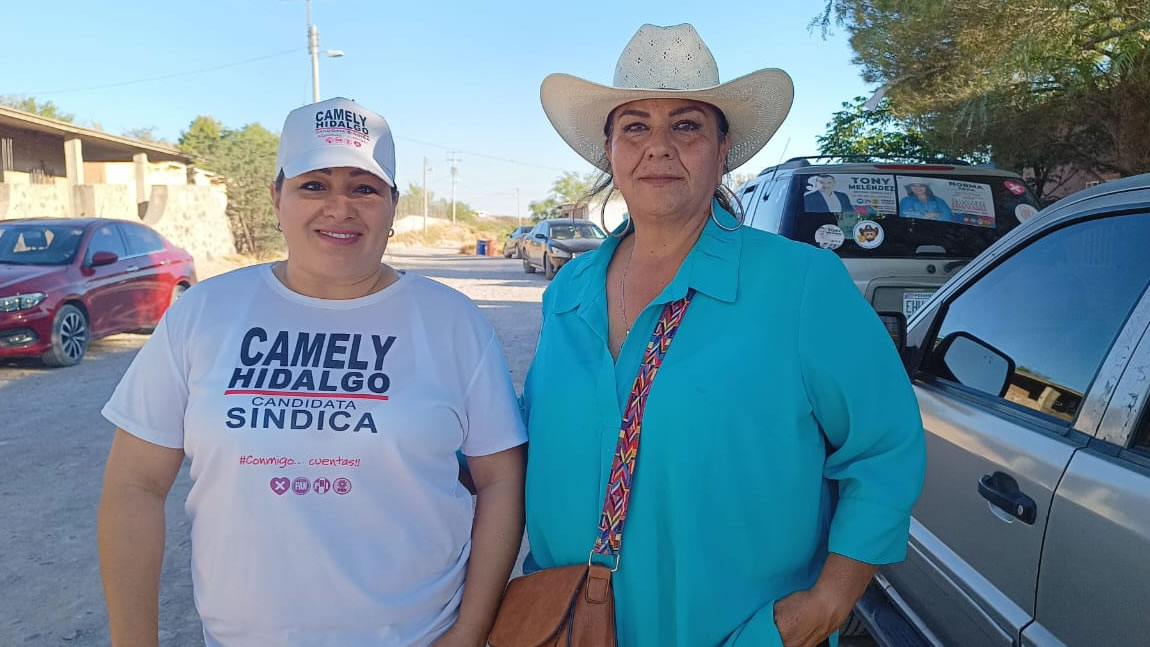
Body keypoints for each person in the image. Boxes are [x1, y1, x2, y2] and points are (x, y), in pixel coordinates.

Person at [523, 24, 926, 647]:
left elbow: (884, 450)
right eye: (634, 126)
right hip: (571, 627)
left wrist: (828, 602)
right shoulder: (568, 291)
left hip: (742, 633)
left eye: (686, 125)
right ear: (610, 151)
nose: (658, 146)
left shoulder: (799, 284)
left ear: (722, 148)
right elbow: (528, 445)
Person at [97, 97, 526, 647]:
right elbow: (135, 485)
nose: (340, 207)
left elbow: (501, 479)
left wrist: (468, 632)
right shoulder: (204, 315)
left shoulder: (452, 322)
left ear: (393, 206)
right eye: (314, 184)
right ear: (277, 197)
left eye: (364, 188)